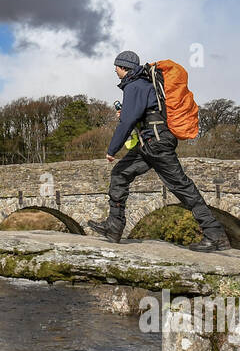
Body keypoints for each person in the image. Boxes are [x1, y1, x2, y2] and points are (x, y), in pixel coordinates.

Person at [86, 51, 228, 252]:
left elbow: (127, 122)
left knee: (182, 187)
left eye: (116, 67)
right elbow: (141, 115)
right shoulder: (144, 84)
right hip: (152, 143)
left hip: (155, 144)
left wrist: (112, 150)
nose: (115, 71)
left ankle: (215, 235)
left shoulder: (134, 86)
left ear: (123, 67)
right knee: (120, 173)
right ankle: (114, 226)